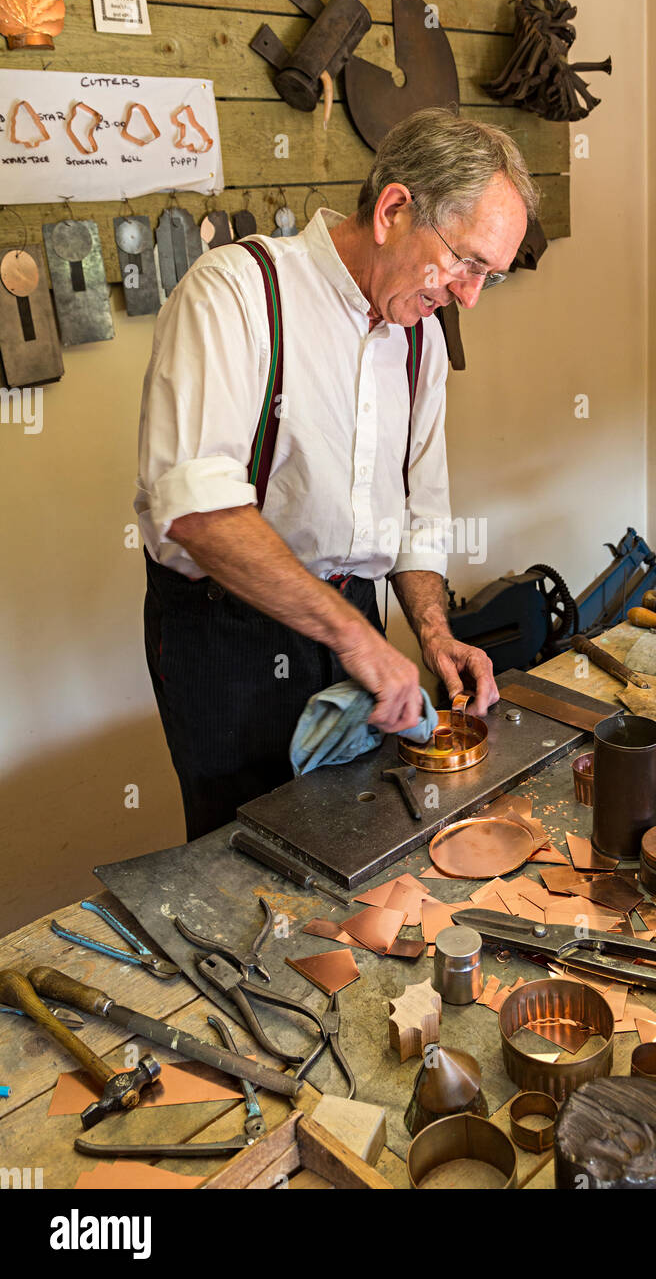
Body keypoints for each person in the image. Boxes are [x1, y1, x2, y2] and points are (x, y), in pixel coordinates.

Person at [135, 107, 537, 840]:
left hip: (357, 621)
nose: (470, 294)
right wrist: (358, 641)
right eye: (467, 262)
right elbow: (199, 511)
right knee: (247, 854)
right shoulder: (237, 293)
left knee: (355, 833)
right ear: (393, 209)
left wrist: (433, 633)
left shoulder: (417, 341)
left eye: (490, 276)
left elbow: (420, 512)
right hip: (229, 637)